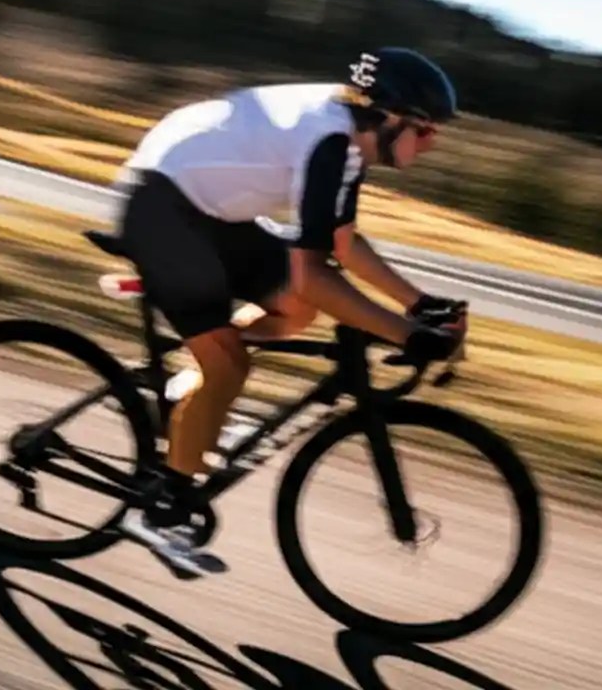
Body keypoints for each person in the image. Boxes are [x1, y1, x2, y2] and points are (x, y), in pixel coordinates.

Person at [111, 47, 468, 572]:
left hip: (208, 202)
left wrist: (420, 305)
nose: (432, 145)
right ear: (392, 119)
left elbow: (342, 245)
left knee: (297, 309)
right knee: (230, 363)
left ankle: (189, 403)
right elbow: (315, 273)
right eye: (428, 130)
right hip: (161, 206)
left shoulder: (349, 140)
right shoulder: (328, 141)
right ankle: (161, 512)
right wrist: (408, 334)